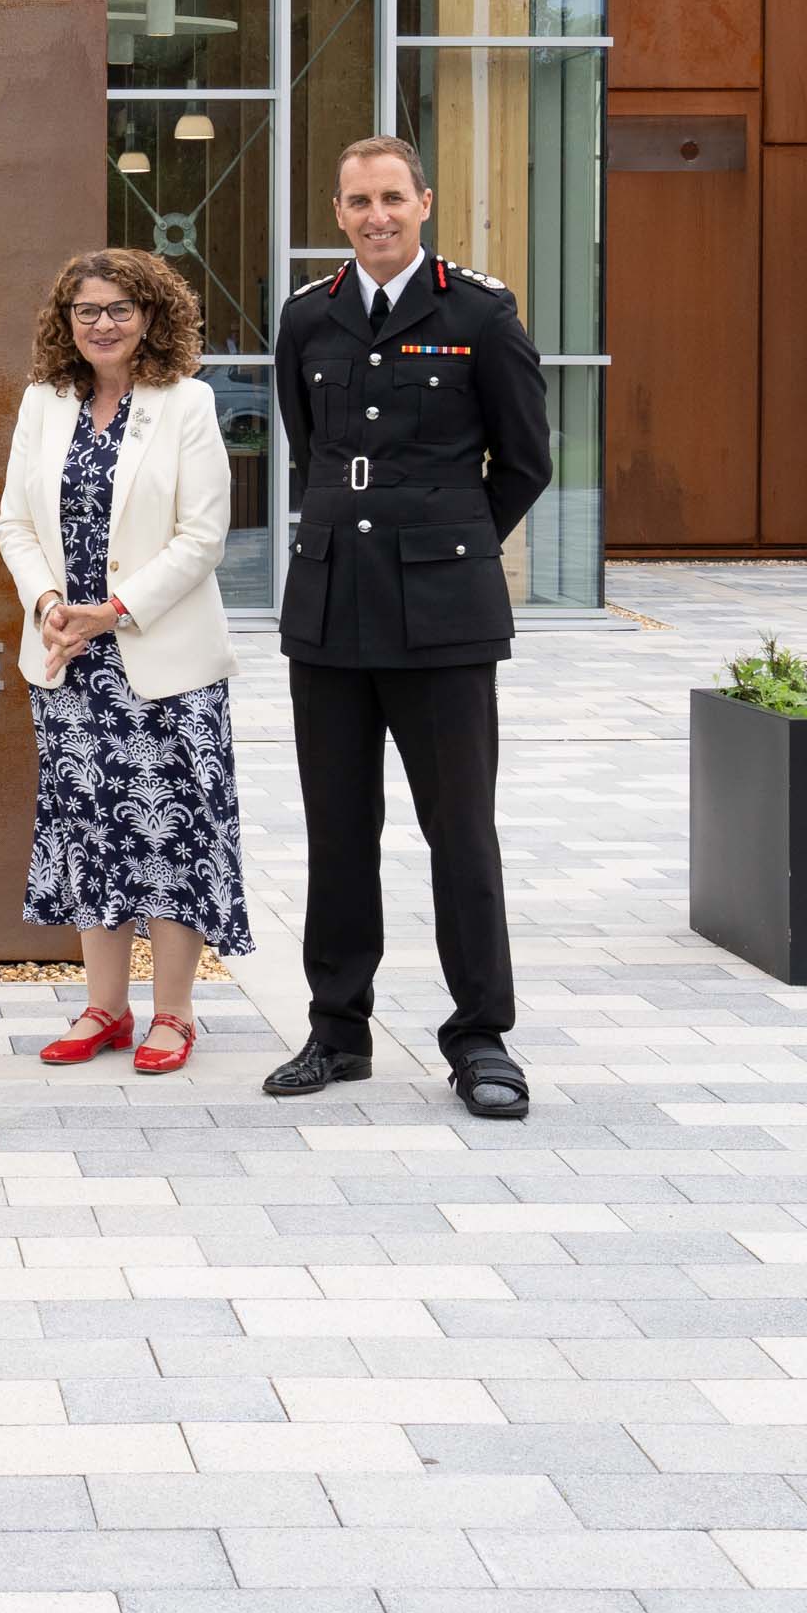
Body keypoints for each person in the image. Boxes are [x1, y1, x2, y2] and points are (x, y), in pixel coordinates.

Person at [267, 138, 553, 1120]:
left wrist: (450, 545)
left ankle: (481, 1038)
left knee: (459, 833)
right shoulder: (308, 317)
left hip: (443, 618)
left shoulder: (479, 313)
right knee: (338, 832)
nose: (376, 215)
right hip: (330, 609)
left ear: (424, 202)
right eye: (358, 201)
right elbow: (312, 447)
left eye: (392, 196)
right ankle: (337, 1030)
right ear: (337, 212)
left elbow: (525, 461)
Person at [0, 248, 248, 1075]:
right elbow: (14, 524)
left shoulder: (186, 402)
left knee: (173, 835)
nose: (102, 324)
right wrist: (49, 606)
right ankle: (104, 1007)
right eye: (87, 311)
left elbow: (203, 537)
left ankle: (174, 1013)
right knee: (90, 829)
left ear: (150, 317)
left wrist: (112, 610)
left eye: (119, 309)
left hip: (164, 659)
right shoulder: (43, 401)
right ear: (65, 323)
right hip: (68, 660)